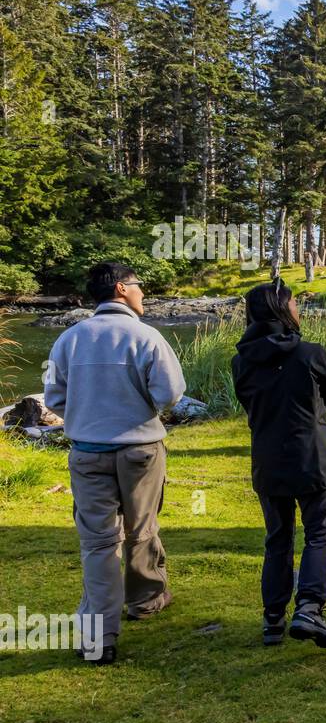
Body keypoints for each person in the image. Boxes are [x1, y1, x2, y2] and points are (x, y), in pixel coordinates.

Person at [45, 262, 187, 665]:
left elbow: (54, 398)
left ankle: (98, 637)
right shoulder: (146, 336)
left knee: (98, 543)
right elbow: (171, 392)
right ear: (122, 289)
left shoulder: (69, 340)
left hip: (88, 450)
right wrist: (140, 407)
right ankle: (145, 600)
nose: (144, 294)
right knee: (141, 529)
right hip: (140, 448)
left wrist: (87, 411)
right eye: (139, 287)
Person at [231, 280, 326, 648]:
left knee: (277, 539)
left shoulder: (241, 361)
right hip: (312, 456)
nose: (298, 308)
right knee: (319, 533)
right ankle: (310, 607)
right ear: (282, 309)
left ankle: (272, 619)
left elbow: (250, 405)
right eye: (294, 302)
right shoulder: (311, 353)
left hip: (267, 459)